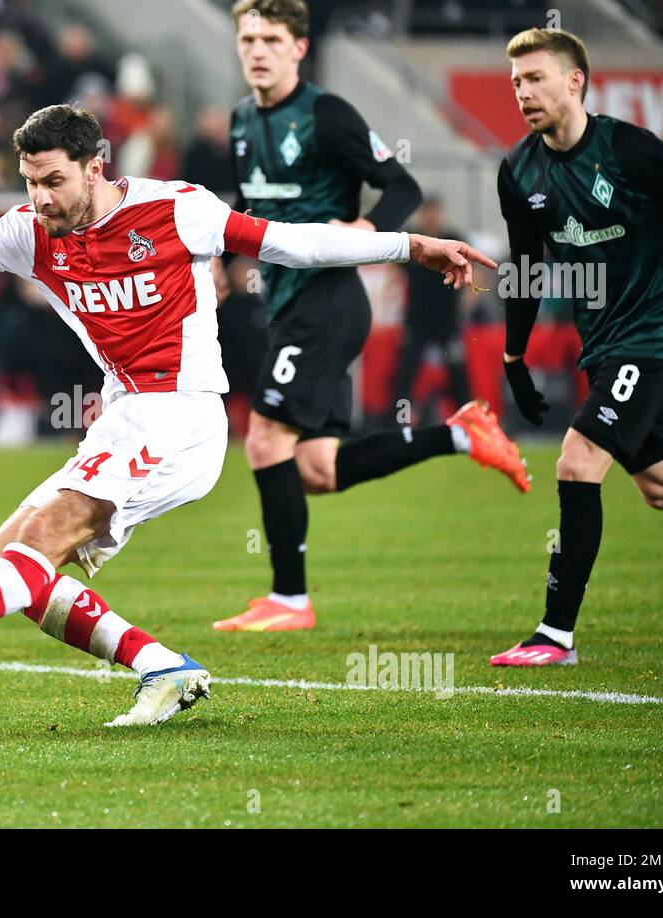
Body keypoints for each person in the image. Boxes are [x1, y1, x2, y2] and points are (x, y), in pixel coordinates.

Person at [0, 103, 495, 725]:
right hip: (124, 416)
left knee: (42, 539)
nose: (39, 198)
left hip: (183, 416)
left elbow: (293, 243)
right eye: (29, 181)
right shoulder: (30, 234)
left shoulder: (177, 210)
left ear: (97, 167)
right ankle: (163, 667)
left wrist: (409, 246)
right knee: (5, 558)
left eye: (53, 180)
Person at [214, 0, 529, 634]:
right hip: (288, 300)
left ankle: (290, 600)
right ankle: (462, 434)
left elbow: (403, 188)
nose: (256, 49)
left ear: (300, 47)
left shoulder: (327, 115)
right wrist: (224, 258)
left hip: (327, 299)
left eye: (271, 38)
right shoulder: (242, 119)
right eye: (247, 36)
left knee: (265, 438)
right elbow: (249, 205)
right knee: (317, 469)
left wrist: (365, 227)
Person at [494, 27, 663, 666]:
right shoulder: (518, 171)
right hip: (604, 346)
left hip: (654, 333)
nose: (523, 92)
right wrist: (513, 357)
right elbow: (526, 270)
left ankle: (555, 635)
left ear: (574, 80)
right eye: (516, 83)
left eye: (535, 78)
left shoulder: (628, 149)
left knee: (577, 460)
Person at [391, 195, 473, 421]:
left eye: (433, 211)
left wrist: (467, 303)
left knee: (458, 373)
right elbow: (393, 274)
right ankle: (396, 421)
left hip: (447, 320)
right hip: (416, 320)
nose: (430, 217)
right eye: (426, 212)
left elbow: (473, 274)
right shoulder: (412, 242)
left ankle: (468, 421)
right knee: (405, 374)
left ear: (440, 213)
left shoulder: (453, 241)